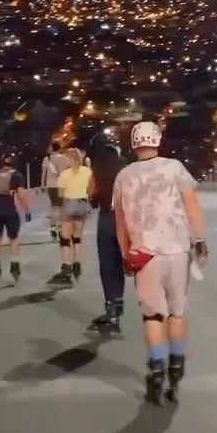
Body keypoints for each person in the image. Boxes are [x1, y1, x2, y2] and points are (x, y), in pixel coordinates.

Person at [113, 122, 208, 405]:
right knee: (176, 313)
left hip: (144, 256)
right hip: (177, 251)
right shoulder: (175, 168)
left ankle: (156, 373)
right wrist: (199, 240)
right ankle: (176, 371)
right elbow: (192, 205)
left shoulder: (123, 176)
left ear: (134, 143)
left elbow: (120, 222)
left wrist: (125, 254)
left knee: (153, 316)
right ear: (157, 140)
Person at [86, 143, 126, 334]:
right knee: (120, 264)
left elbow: (92, 198)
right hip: (124, 219)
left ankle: (111, 309)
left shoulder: (96, 173)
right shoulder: (125, 171)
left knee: (107, 266)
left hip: (106, 220)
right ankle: (119, 303)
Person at [0, 155, 31, 283]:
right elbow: (21, 195)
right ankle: (14, 267)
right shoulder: (17, 175)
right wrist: (27, 210)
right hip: (10, 211)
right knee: (13, 239)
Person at [47, 147, 91, 286]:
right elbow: (91, 188)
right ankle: (77, 265)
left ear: (70, 158)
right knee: (77, 238)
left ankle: (66, 267)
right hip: (83, 204)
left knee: (65, 239)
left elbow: (60, 194)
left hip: (69, 203)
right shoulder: (87, 171)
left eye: (66, 158)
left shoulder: (64, 174)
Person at [41, 140, 69, 240]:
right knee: (60, 208)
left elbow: (43, 173)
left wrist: (42, 185)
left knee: (53, 207)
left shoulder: (46, 159)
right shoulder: (63, 158)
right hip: (60, 185)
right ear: (60, 147)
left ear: (52, 148)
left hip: (50, 186)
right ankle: (59, 228)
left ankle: (52, 227)